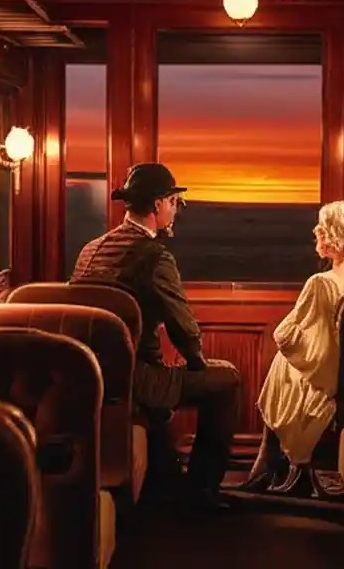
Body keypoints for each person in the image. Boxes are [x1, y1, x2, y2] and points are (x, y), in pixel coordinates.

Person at [70, 162, 241, 510]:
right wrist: (197, 363)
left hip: (86, 371)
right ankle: (201, 491)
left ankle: (164, 477)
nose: (175, 210)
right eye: (174, 203)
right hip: (135, 377)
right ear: (158, 205)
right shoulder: (154, 256)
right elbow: (184, 328)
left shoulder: (91, 250)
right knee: (226, 381)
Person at [243, 201, 344, 496]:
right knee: (284, 365)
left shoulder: (321, 283)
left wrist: (283, 339)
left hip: (328, 374)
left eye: (321, 229)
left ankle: (271, 460)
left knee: (281, 364)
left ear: (331, 235)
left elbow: (291, 335)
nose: (316, 233)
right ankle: (273, 462)